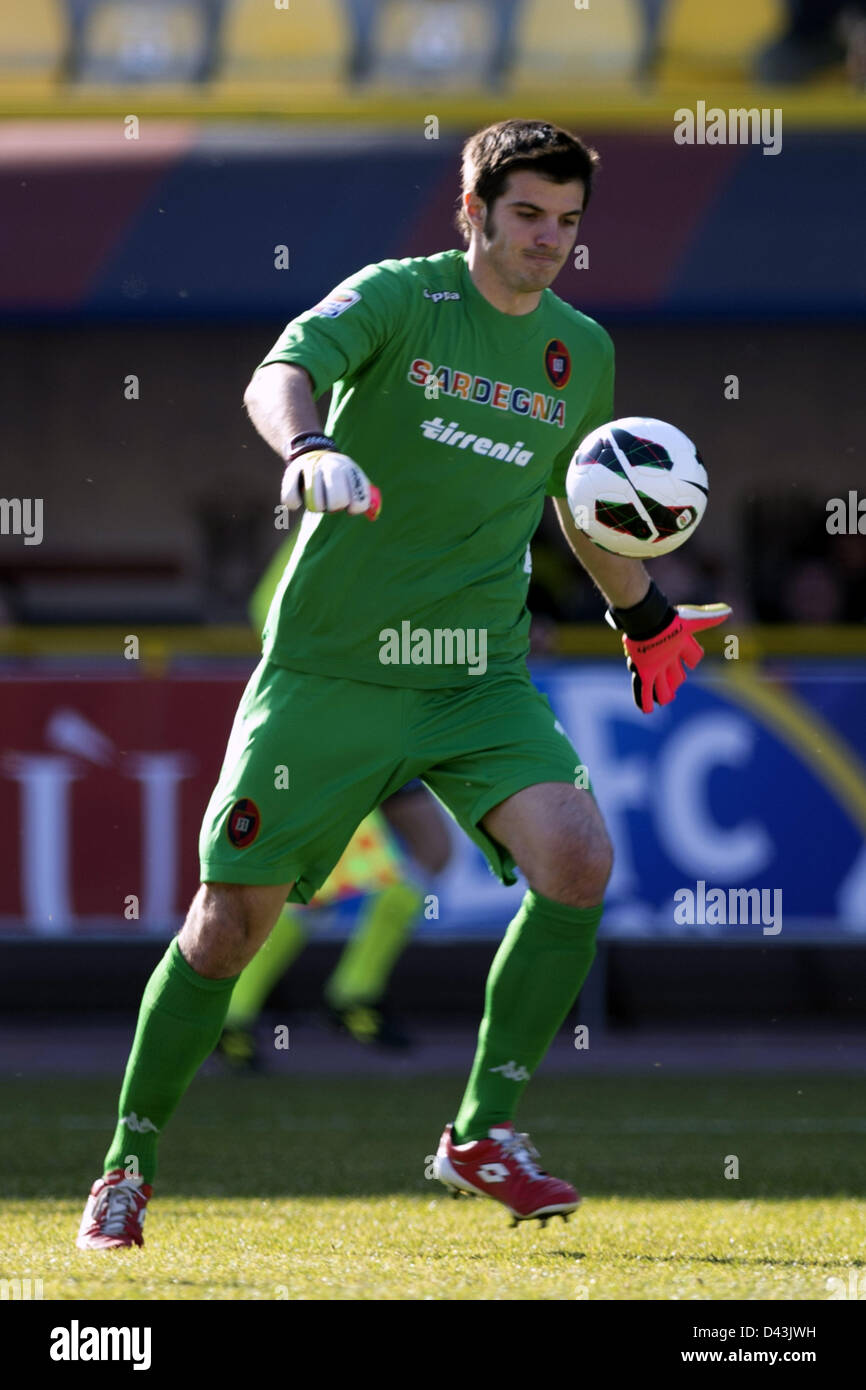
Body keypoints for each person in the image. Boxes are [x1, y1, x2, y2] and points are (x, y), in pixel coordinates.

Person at [77, 118, 730, 1249]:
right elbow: (278, 373)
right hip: (332, 672)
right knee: (229, 925)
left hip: (474, 676)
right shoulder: (397, 297)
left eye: (566, 223)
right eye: (525, 215)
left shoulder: (581, 350)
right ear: (471, 211)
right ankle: (125, 1166)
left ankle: (482, 1132)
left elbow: (581, 508)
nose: (547, 242)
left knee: (577, 860)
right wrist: (306, 448)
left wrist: (645, 614)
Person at [217, 534, 453, 1065]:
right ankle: (233, 1015)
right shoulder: (330, 518)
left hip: (387, 721)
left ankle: (353, 991)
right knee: (322, 881)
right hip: (329, 721)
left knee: (433, 849)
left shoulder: (416, 526)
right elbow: (267, 610)